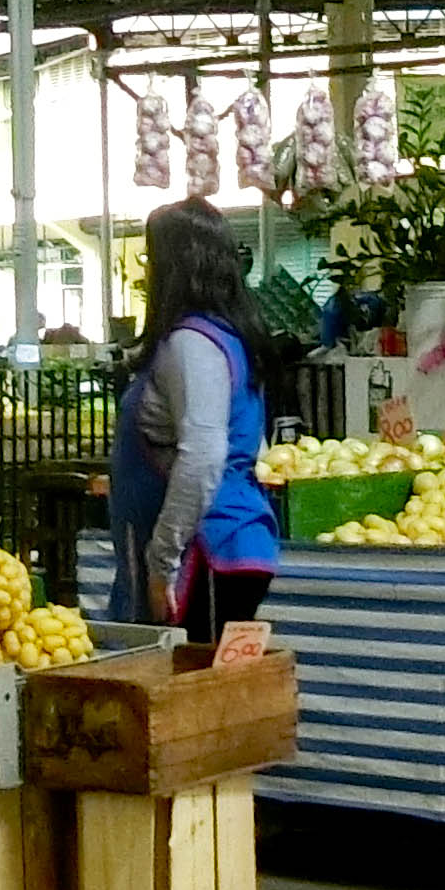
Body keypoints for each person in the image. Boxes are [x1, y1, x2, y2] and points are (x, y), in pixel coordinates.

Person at [108, 201, 281, 640]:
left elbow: (203, 458)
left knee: (183, 695)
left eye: (150, 259)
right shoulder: (230, 337)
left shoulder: (192, 344)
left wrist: (161, 562)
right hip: (234, 545)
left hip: (203, 555)